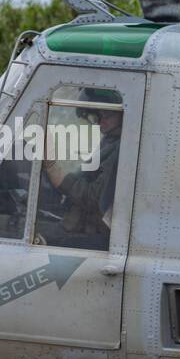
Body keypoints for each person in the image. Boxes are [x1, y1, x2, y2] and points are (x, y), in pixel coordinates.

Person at [38, 88, 121, 250]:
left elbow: (95, 200)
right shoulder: (111, 141)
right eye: (99, 116)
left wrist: (53, 168)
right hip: (79, 223)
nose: (101, 122)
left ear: (124, 115)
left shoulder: (121, 148)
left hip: (91, 233)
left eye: (108, 115)